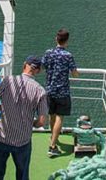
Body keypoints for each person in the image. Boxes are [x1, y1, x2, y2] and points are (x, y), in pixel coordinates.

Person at [0, 55, 48, 180]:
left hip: (2, 137)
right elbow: (41, 122)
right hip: (22, 141)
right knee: (22, 176)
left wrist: (3, 108)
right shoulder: (40, 91)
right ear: (38, 71)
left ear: (24, 65)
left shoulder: (8, 81)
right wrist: (31, 122)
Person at [43, 28, 80, 157]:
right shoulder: (68, 56)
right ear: (67, 41)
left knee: (52, 115)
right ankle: (52, 147)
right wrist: (76, 73)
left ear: (56, 39)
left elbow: (42, 66)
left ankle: (53, 137)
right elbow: (74, 73)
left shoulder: (48, 53)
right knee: (60, 117)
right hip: (62, 92)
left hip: (49, 90)